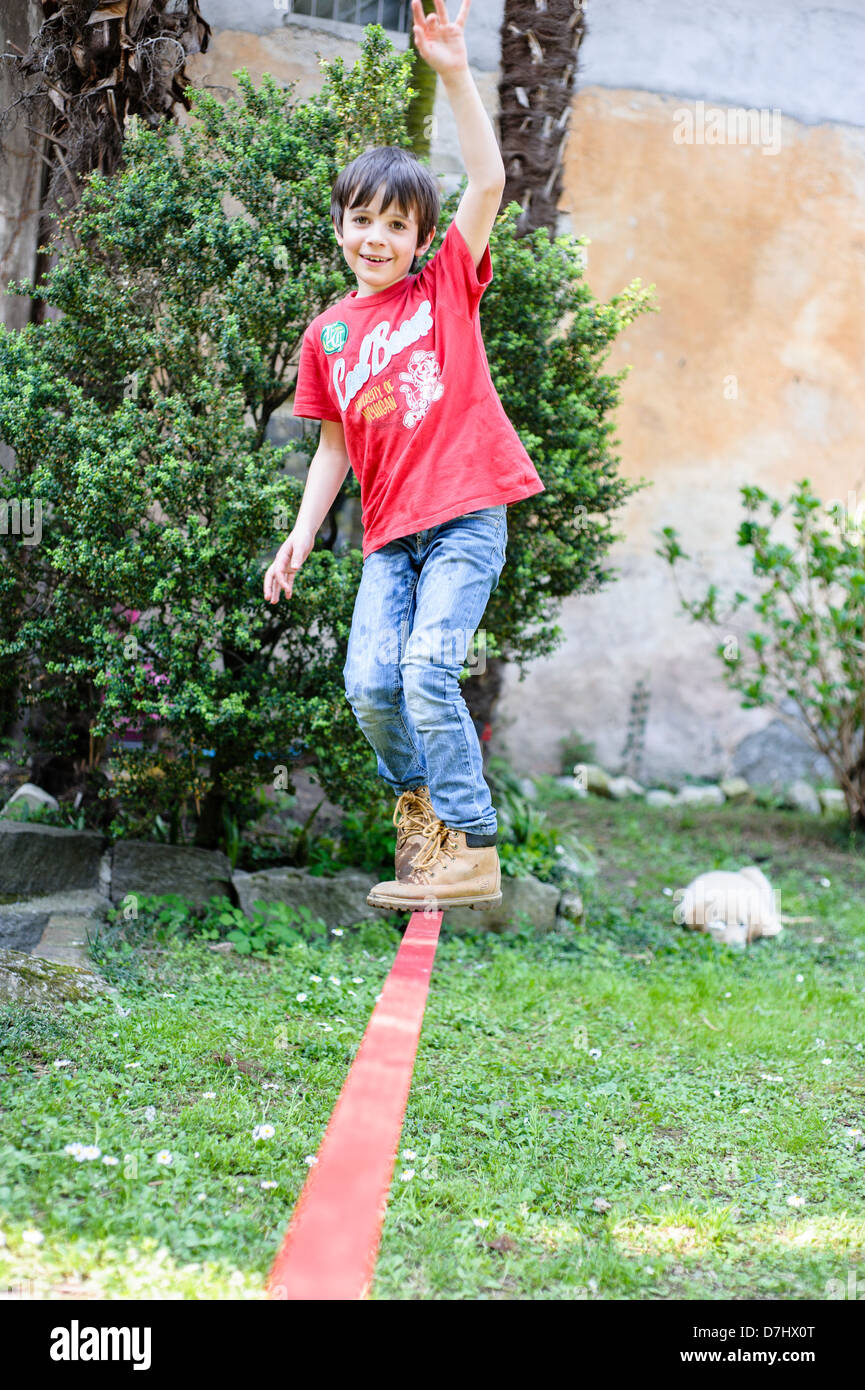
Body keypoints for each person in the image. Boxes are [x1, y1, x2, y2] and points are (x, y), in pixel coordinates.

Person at [263, 0, 545, 912]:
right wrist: (301, 536)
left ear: (423, 241)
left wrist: (456, 71)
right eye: (361, 221)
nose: (376, 239)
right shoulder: (328, 335)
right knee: (370, 686)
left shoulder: (443, 293)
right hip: (388, 538)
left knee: (426, 670)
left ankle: (475, 845)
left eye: (395, 227)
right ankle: (425, 817)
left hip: (463, 515)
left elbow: (490, 182)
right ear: (340, 224)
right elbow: (334, 445)